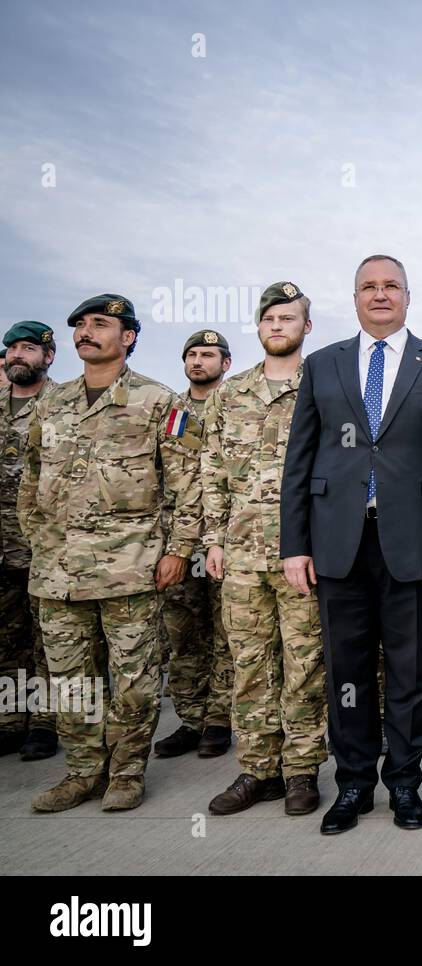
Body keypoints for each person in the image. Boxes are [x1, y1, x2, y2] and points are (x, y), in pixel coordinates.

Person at [281, 255, 422, 834]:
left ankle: (404, 783)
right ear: (354, 298)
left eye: (391, 285)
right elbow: (300, 460)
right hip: (337, 543)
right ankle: (353, 784)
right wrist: (295, 545)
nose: (380, 294)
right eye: (368, 286)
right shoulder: (323, 366)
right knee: (347, 671)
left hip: (414, 543)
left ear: (408, 296)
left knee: (412, 670)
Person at [22, 294, 203, 811]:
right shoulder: (50, 404)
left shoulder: (160, 402)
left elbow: (186, 482)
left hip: (131, 566)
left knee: (134, 679)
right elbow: (30, 478)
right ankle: (82, 773)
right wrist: (39, 537)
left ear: (127, 337)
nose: (86, 332)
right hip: (58, 570)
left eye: (100, 324)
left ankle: (125, 773)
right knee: (70, 680)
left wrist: (179, 549)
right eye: (80, 325)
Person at [205, 284, 327, 817]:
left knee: (305, 664)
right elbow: (209, 471)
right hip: (241, 554)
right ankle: (256, 770)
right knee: (250, 665)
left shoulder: (323, 386)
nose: (278, 326)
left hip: (303, 554)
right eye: (270, 319)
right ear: (258, 328)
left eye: (289, 318)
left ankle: (301, 769)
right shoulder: (229, 395)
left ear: (306, 326)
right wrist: (212, 538)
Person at [154, 328, 234, 760]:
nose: (198, 361)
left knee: (227, 635)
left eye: (208, 354)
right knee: (183, 634)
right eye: (192, 354)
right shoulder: (169, 410)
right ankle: (190, 718)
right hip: (176, 542)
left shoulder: (236, 405)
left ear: (226, 363)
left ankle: (219, 721)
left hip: (224, 539)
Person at [0, 321, 58, 761]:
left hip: (44, 545)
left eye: (27, 348)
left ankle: (45, 721)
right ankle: (10, 719)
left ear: (47, 356)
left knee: (49, 640)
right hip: (3, 546)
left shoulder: (60, 406)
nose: (18, 355)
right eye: (12, 348)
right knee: (8, 639)